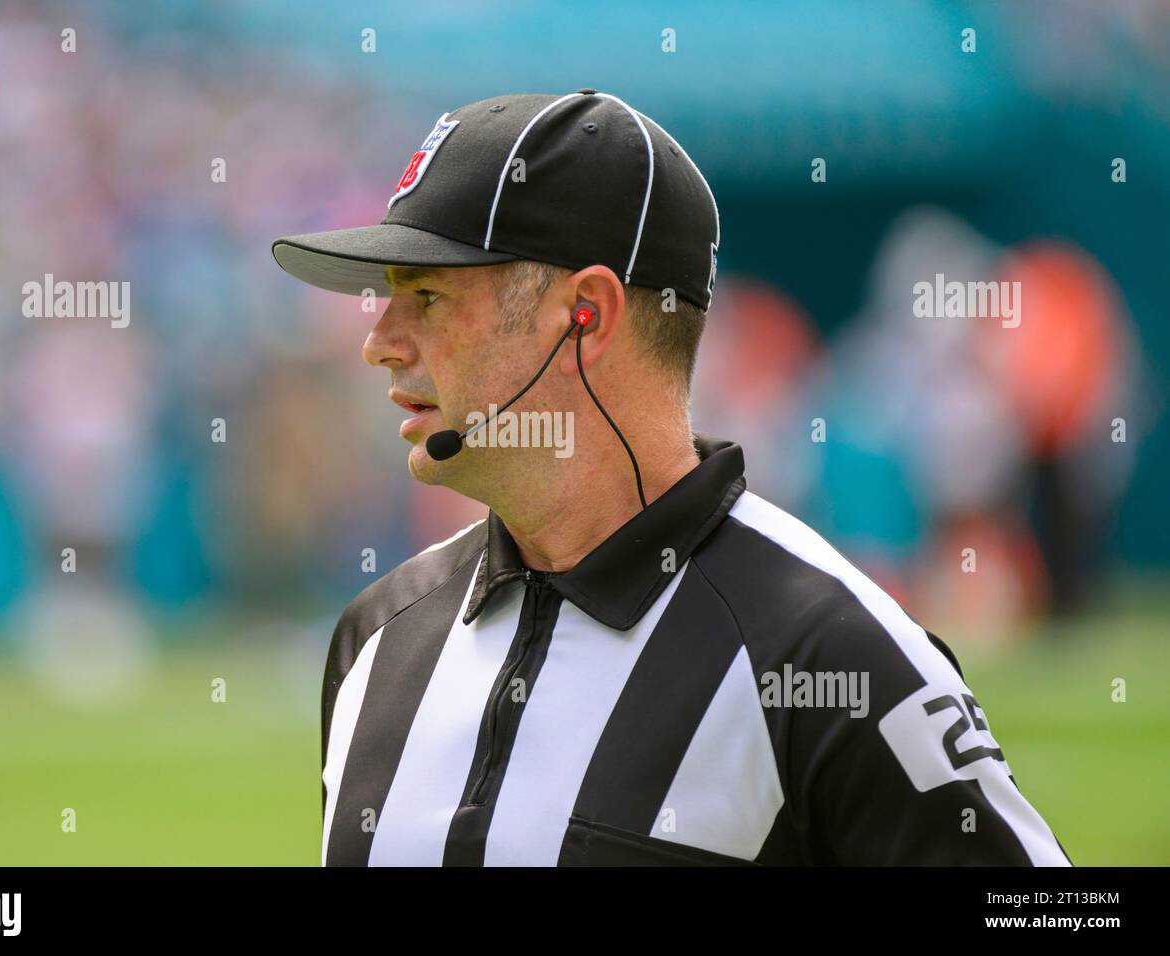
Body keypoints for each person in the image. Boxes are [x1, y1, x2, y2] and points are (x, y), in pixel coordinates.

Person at [272, 90, 1071, 866]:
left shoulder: (829, 656)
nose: (379, 341)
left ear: (587, 312)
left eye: (430, 295)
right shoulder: (378, 637)